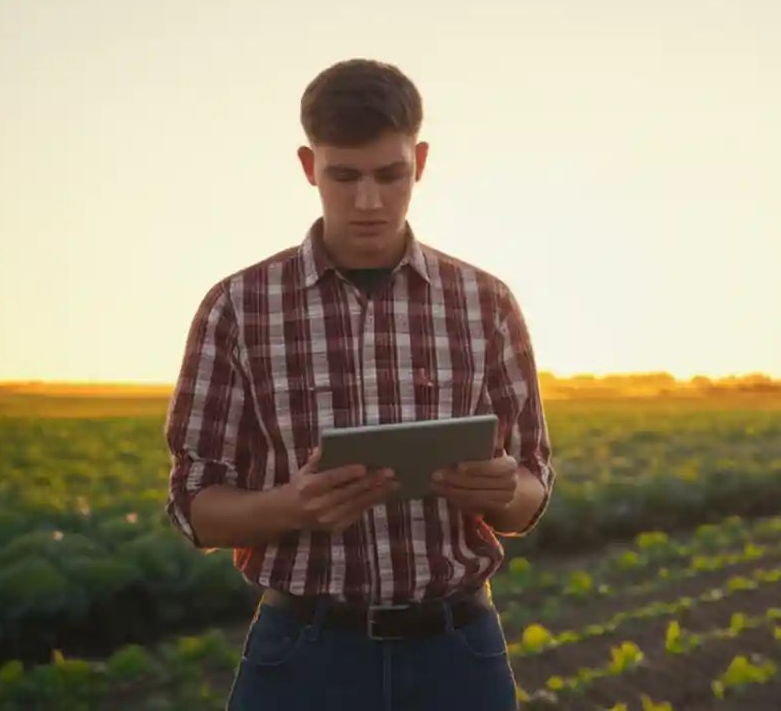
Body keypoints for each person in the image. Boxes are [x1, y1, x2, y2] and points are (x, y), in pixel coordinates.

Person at [163, 58, 554, 711]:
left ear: (420, 161)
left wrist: (503, 488)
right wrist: (293, 506)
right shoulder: (238, 306)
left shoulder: (485, 303)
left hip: (458, 654)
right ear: (309, 166)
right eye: (344, 176)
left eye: (390, 174)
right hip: (304, 654)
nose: (368, 200)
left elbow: (531, 488)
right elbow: (193, 507)